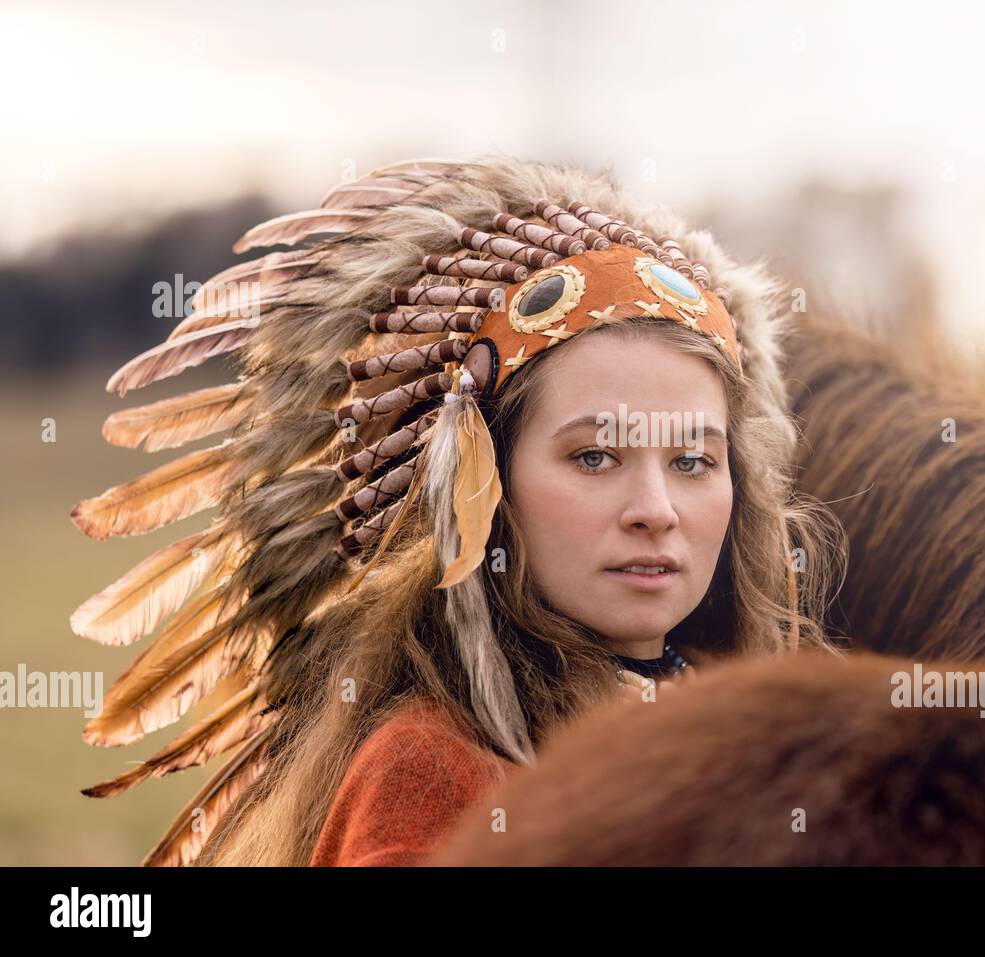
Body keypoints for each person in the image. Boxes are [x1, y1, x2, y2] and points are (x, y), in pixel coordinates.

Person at [70, 156, 847, 866]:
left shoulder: (775, 746)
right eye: (593, 457)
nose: (655, 509)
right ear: (483, 482)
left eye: (692, 461)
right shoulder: (430, 772)